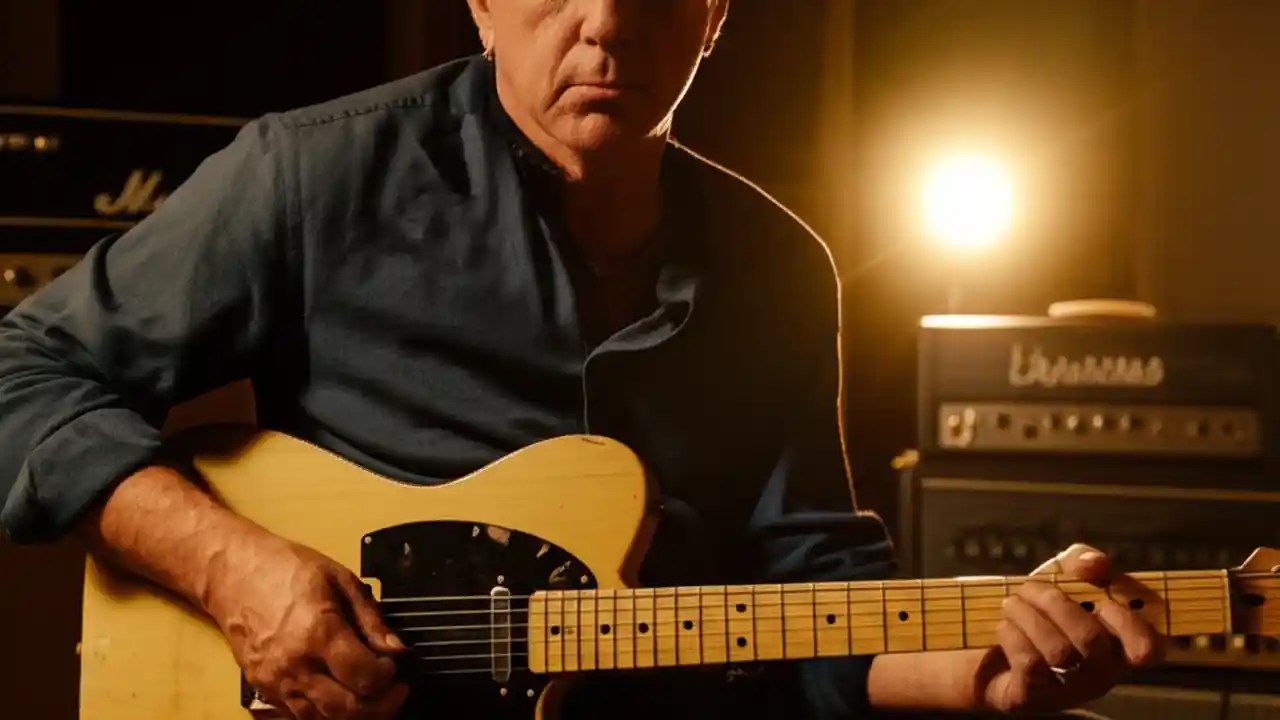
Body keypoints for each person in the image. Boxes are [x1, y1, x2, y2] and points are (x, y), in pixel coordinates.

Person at [0, 1, 1162, 718]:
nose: (604, 23)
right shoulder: (311, 180)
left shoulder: (781, 269)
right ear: (481, 4)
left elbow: (810, 606)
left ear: (713, 13)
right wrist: (236, 573)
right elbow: (20, 375)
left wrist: (986, 676)